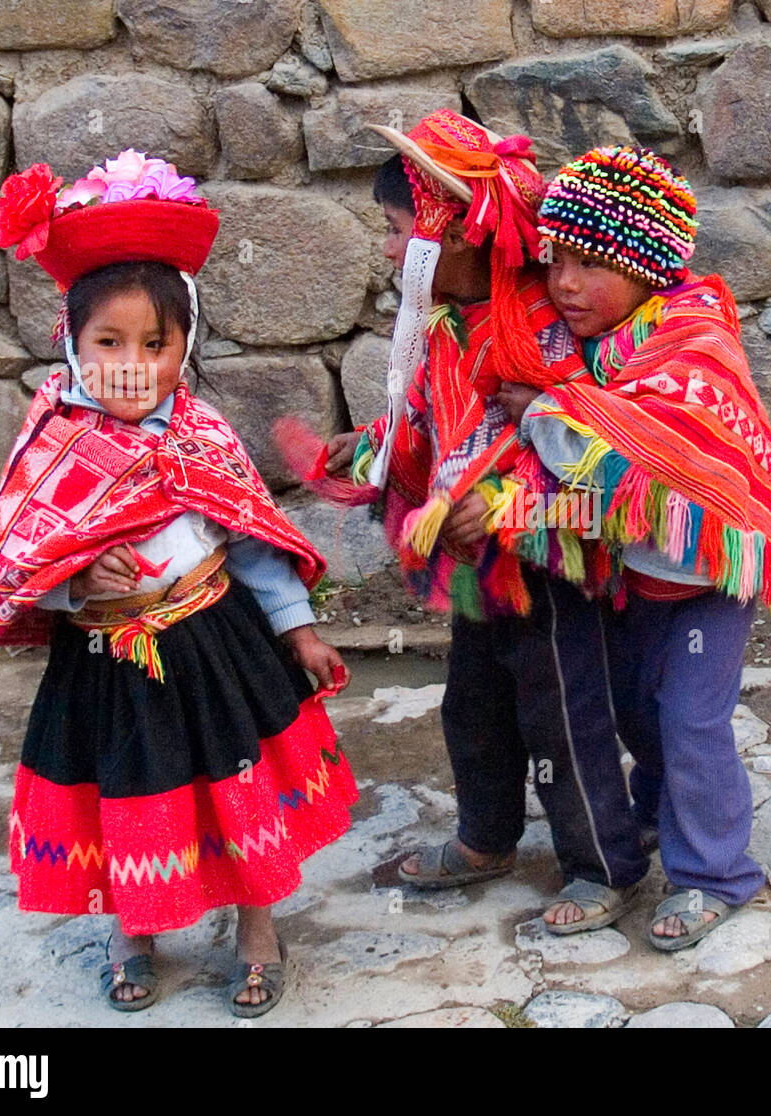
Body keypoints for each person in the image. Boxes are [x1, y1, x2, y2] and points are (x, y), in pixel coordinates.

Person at [0, 151, 357, 1014]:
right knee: (123, 802)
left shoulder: (200, 436)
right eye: (109, 342)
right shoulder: (53, 439)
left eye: (156, 344)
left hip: (216, 644)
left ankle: (257, 930)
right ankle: (131, 931)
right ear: (72, 341)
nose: (132, 364)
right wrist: (71, 585)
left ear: (186, 343)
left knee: (234, 788)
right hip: (104, 663)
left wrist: (299, 630)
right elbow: (19, 557)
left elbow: (251, 543)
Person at [310, 111, 648, 933]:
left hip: (547, 561)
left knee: (563, 714)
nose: (390, 251)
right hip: (478, 566)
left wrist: (498, 508)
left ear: (453, 230)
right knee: (473, 703)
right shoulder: (444, 329)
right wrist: (370, 457)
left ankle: (602, 865)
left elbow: (582, 433)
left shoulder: (536, 326)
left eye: (397, 231)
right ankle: (485, 836)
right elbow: (430, 425)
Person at [495, 145, 771, 951]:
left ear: (649, 267)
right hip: (634, 577)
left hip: (706, 583)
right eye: (556, 260)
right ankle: (669, 809)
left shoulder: (689, 346)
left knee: (693, 720)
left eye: (592, 265)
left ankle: (714, 874)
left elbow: (626, 449)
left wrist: (544, 412)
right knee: (638, 714)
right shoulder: (589, 350)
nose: (564, 284)